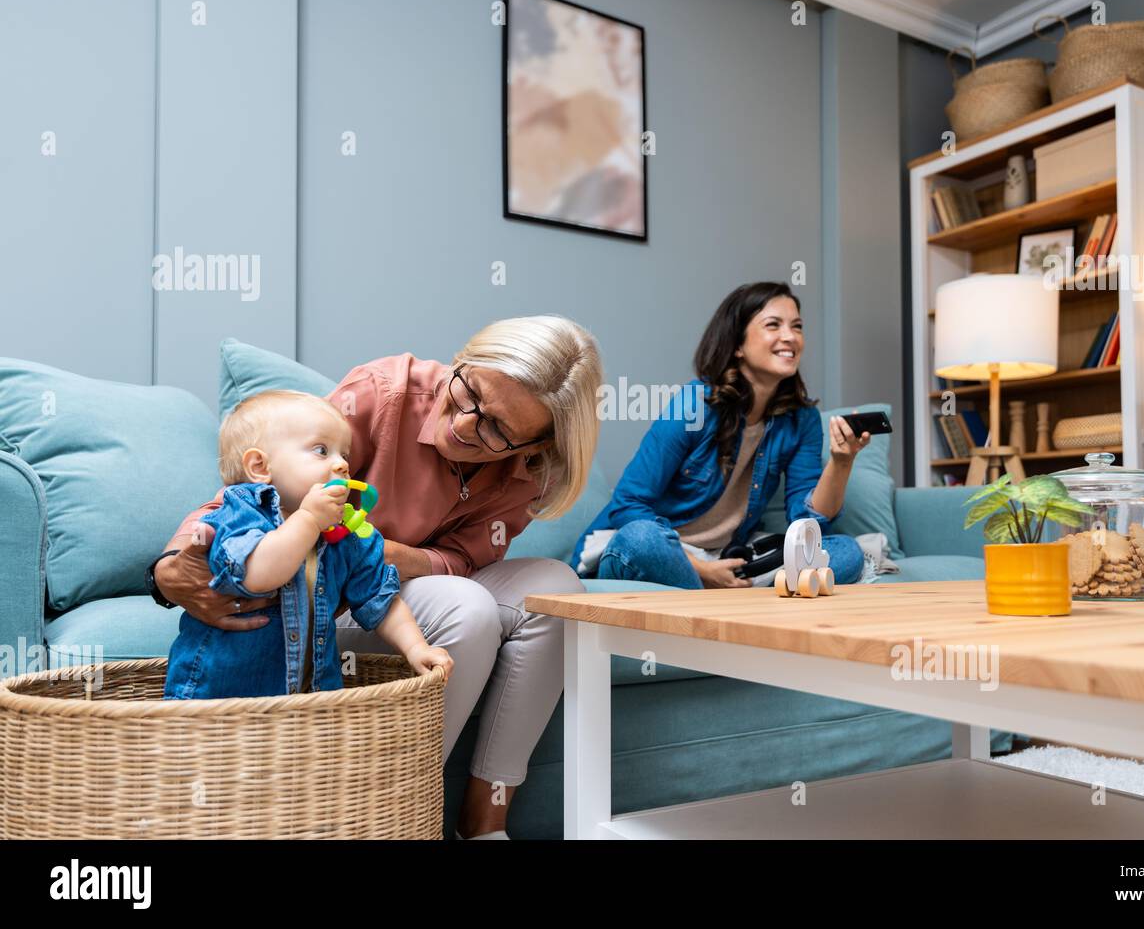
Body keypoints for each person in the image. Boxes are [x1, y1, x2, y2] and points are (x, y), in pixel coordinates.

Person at [151, 316, 602, 838]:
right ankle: (392, 807)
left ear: (534, 447)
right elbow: (249, 495)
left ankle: (484, 819)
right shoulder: (383, 395)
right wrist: (171, 566)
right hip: (315, 609)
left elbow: (463, 560)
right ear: (462, 360)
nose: (464, 425)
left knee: (557, 589)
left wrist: (382, 553)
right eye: (468, 391)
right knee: (467, 607)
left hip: (386, 586)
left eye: (498, 430)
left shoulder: (526, 475)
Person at [572, 282, 868, 589]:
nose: (790, 337)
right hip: (670, 552)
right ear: (737, 345)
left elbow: (808, 524)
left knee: (845, 551)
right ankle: (727, 603)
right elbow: (628, 503)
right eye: (773, 325)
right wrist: (700, 568)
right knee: (640, 539)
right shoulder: (694, 405)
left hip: (726, 557)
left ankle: (735, 604)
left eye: (797, 326)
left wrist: (841, 461)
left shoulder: (800, 419)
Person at [163, 391, 449, 700]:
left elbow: (381, 599)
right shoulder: (241, 513)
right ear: (260, 466)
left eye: (345, 455)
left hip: (308, 701)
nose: (341, 465)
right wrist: (309, 519)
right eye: (321, 450)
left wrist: (416, 647)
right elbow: (257, 575)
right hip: (216, 700)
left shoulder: (344, 534)